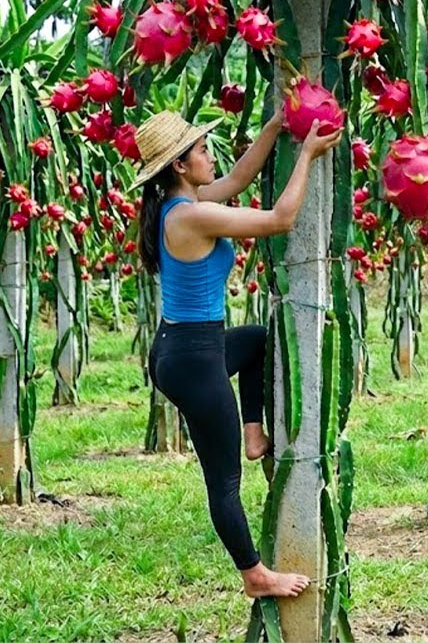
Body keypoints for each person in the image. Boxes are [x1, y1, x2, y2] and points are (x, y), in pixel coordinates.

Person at [132, 108, 342, 598]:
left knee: (254, 342)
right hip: (193, 360)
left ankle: (253, 433)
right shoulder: (192, 214)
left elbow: (239, 177)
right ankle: (254, 575)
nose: (210, 155)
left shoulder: (182, 201)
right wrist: (307, 153)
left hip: (183, 347)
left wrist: (273, 128)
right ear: (180, 166)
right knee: (223, 483)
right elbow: (280, 219)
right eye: (202, 150)